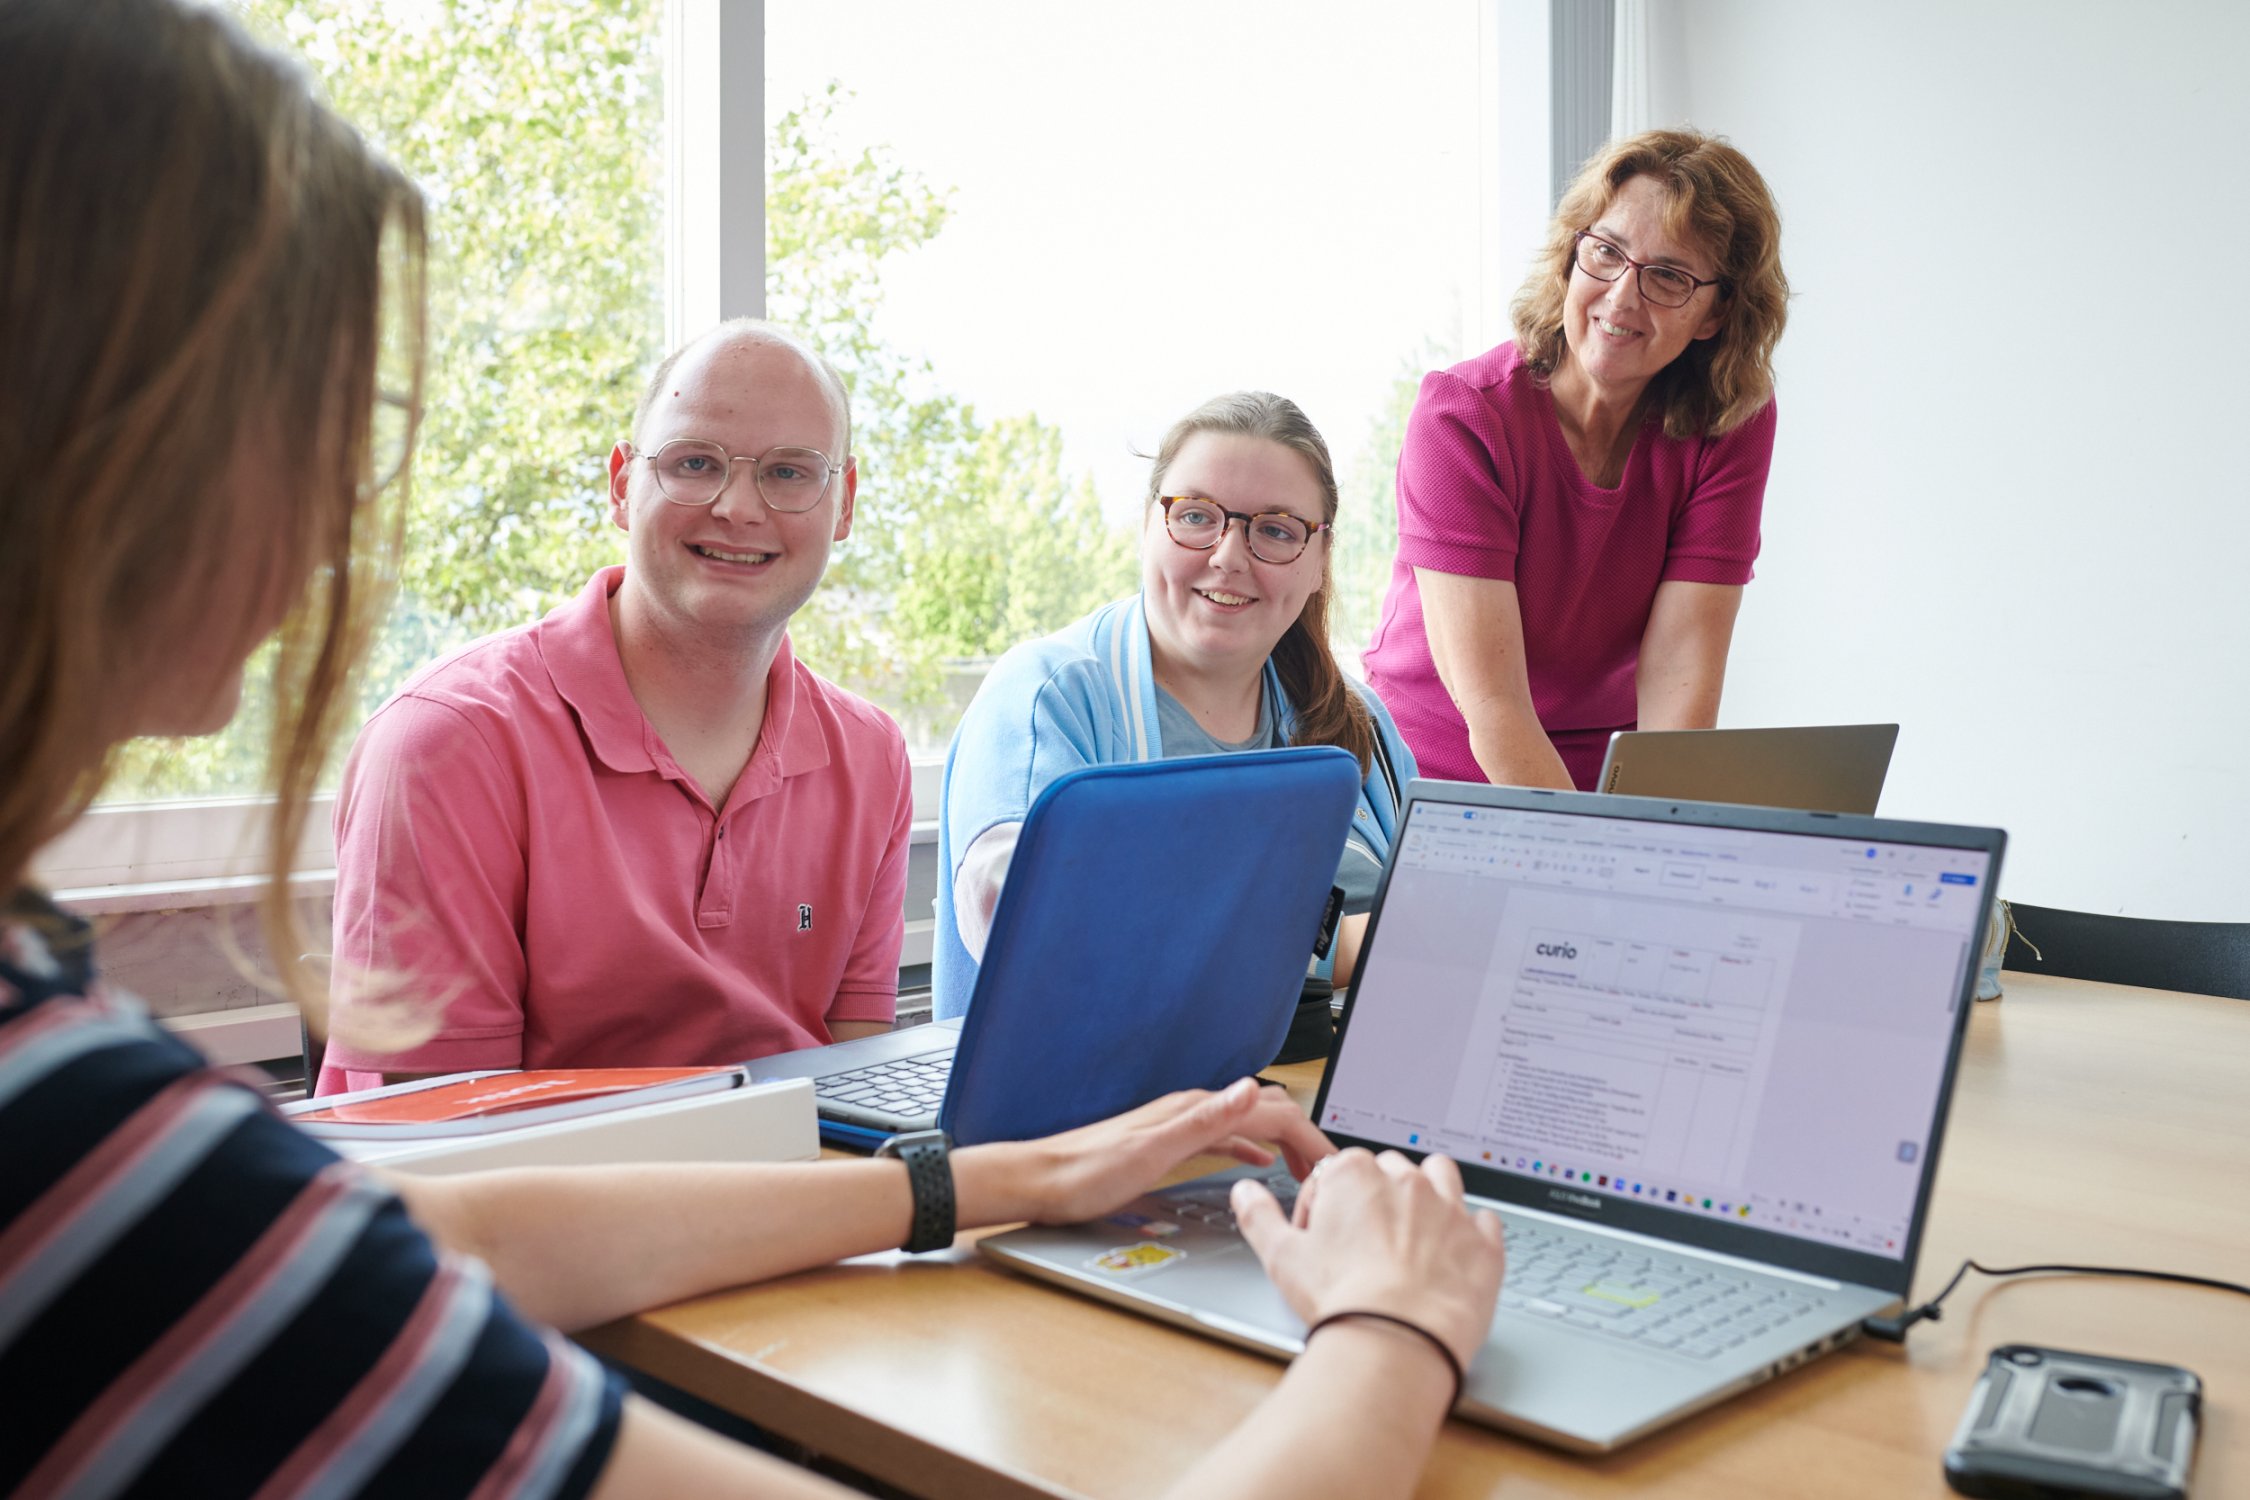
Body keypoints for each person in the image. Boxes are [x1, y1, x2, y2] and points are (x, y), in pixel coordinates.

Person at [0, 4, 1505, 1497]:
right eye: (309, 420)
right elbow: (429, 1182)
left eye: (789, 472)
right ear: (99, 445)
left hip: (800, 1267)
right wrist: (1395, 1326)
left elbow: (432, 1216)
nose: (340, 511)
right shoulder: (92, 1135)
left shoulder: (78, 1067)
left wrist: (1007, 1177)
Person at [316, 319, 912, 1093]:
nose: (737, 506)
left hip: (806, 1200)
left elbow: (853, 1096)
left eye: (790, 473)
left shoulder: (872, 758)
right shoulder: (448, 745)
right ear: (623, 486)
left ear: (844, 505)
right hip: (529, 1206)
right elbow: (450, 1161)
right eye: (694, 463)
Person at [935, 392, 1416, 1020]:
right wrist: (1342, 946)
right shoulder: (1050, 697)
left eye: (1275, 530)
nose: (1227, 556)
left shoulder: (1361, 724)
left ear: (1320, 561)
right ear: (1148, 525)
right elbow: (1025, 918)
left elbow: (1445, 914)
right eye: (1195, 516)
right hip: (1103, 1108)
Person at [1361, 128, 1790, 792]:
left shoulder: (1730, 424)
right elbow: (1493, 704)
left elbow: (1680, 678)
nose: (1622, 298)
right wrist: (1589, 862)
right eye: (1607, 253)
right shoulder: (1462, 417)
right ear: (1571, 254)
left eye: (1669, 276)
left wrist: (1650, 845)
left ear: (1715, 315)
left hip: (1598, 777)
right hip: (1436, 769)